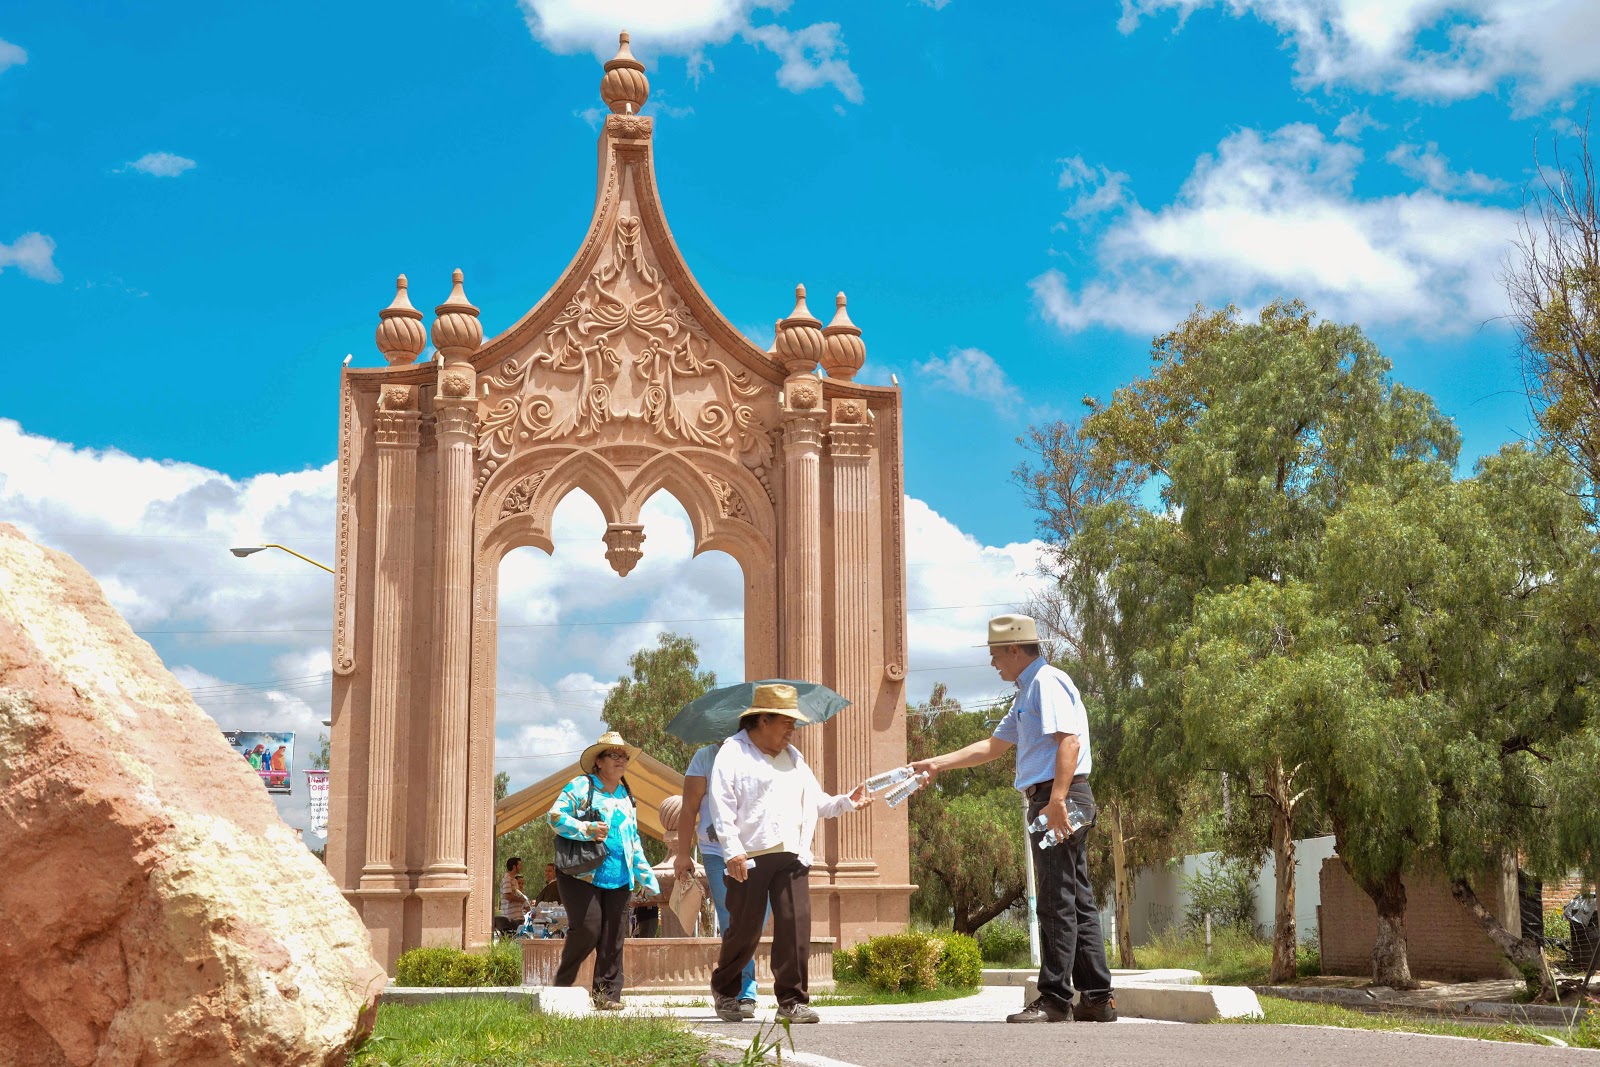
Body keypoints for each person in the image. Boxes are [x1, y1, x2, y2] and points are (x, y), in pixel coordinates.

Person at [911, 614, 1116, 1024]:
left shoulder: (1046, 682)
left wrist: (1055, 799)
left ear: (1015, 649)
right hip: (1058, 796)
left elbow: (1069, 741)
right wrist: (936, 763)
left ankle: (1056, 1000)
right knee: (1076, 899)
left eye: (995, 654)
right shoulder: (1027, 692)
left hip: (1060, 796)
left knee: (1057, 900)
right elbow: (993, 745)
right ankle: (1096, 998)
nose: (993, 664)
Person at [708, 683, 873, 1024]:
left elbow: (817, 802)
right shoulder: (732, 752)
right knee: (745, 930)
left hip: (793, 856)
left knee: (795, 925)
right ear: (763, 720)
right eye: (787, 721)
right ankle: (725, 989)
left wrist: (847, 801)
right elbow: (720, 805)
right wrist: (732, 851)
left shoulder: (794, 757)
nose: (793, 729)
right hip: (749, 857)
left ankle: (792, 1000)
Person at [546, 730, 659, 1010]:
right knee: (587, 929)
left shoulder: (626, 796)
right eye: (614, 754)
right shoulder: (582, 786)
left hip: (619, 877)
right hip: (581, 874)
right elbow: (555, 817)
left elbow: (633, 841)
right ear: (599, 761)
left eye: (624, 756)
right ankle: (562, 983)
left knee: (613, 936)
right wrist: (587, 829)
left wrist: (648, 878)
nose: (621, 759)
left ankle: (606, 996)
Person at [677, 739, 763, 1018]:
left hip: (758, 848)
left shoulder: (759, 753)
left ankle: (738, 984)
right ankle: (740, 990)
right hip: (717, 851)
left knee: (756, 920)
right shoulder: (704, 757)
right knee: (731, 918)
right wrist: (682, 854)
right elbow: (689, 808)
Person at [496, 856, 528, 937]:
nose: (521, 867)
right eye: (519, 865)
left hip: (517, 916)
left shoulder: (513, 880)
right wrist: (521, 900)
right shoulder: (507, 879)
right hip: (511, 918)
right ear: (514, 867)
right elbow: (507, 896)